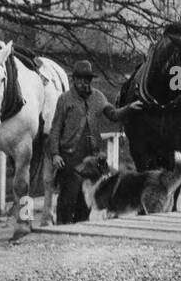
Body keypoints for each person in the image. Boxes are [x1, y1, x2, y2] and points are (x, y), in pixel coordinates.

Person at [48, 60, 143, 222]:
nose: (83, 83)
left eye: (87, 80)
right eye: (80, 79)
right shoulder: (65, 99)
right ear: (74, 80)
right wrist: (55, 154)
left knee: (86, 201)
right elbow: (55, 128)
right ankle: (62, 230)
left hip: (92, 159)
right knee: (67, 198)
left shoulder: (98, 97)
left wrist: (129, 108)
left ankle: (81, 229)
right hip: (70, 157)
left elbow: (113, 114)